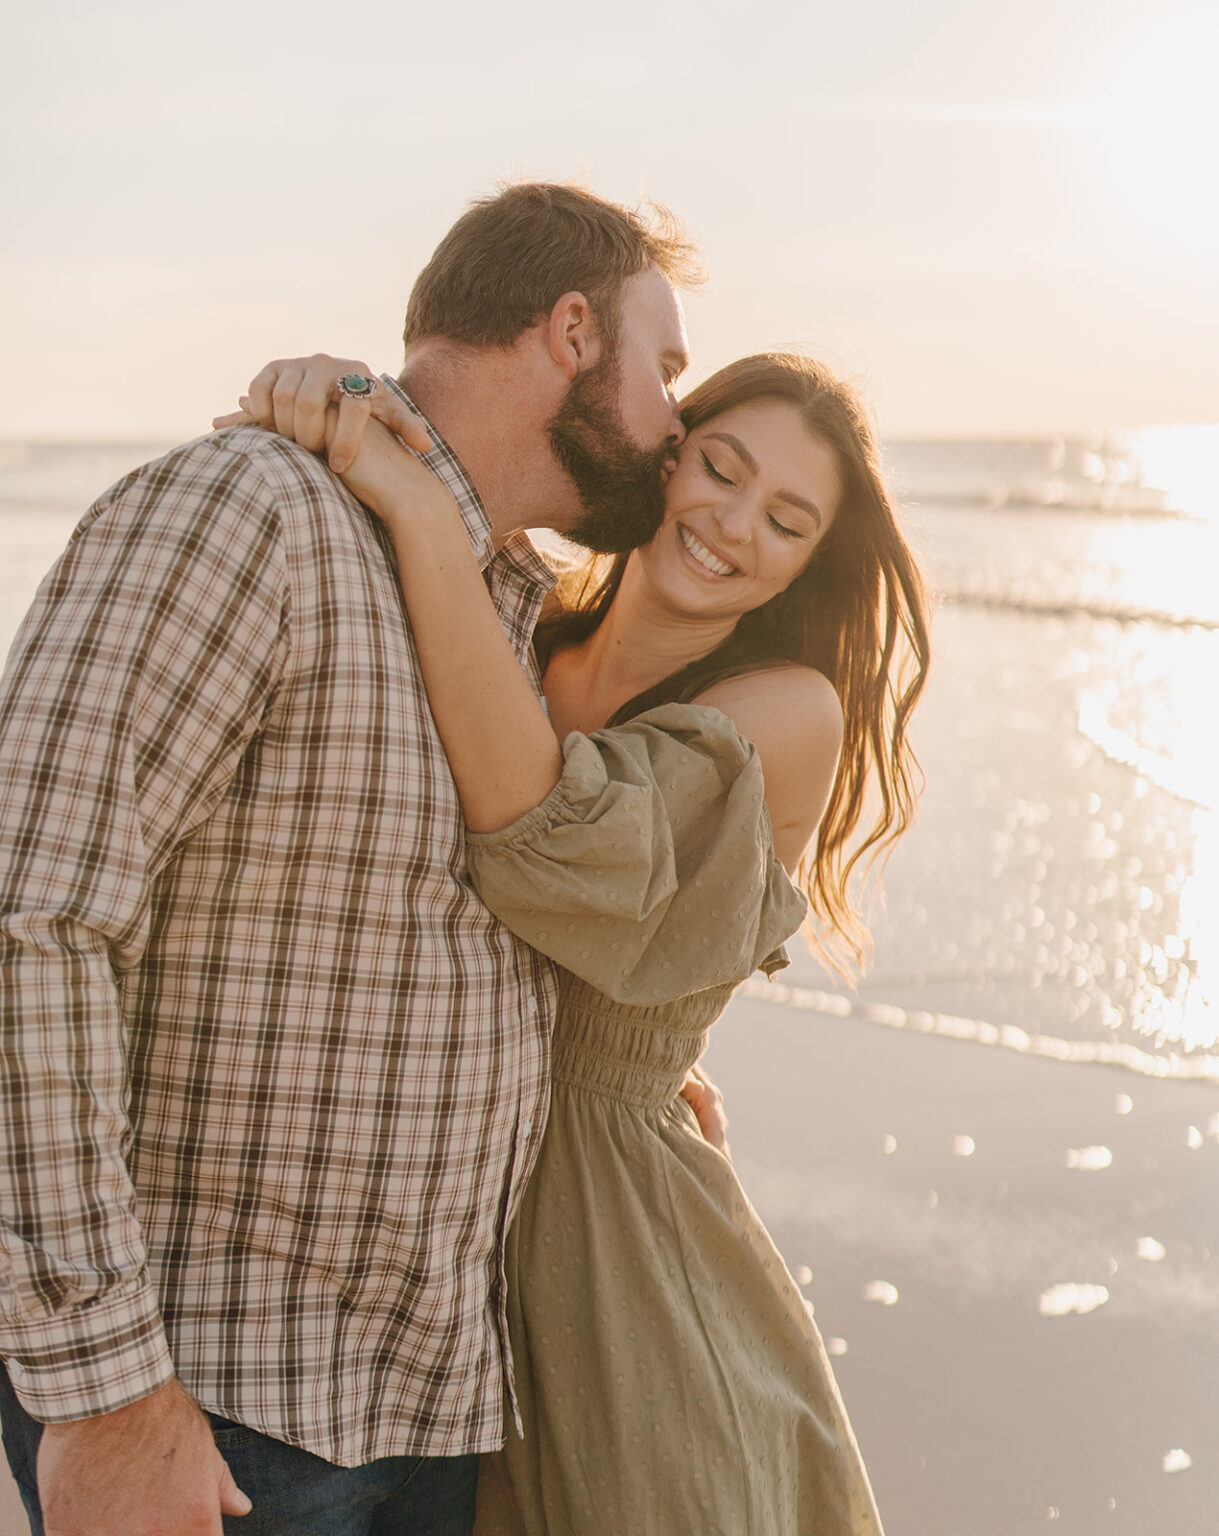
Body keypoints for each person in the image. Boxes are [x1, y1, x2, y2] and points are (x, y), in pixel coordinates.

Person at [0, 182, 704, 1536]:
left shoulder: (501, 617)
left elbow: (418, 935)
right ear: (568, 330)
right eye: (660, 367)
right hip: (216, 1414)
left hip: (424, 1420)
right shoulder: (249, 509)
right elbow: (31, 919)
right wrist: (102, 1394)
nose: (675, 423)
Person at [234, 347, 931, 1533]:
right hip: (424, 1217)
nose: (730, 521)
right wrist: (327, 389)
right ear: (666, 454)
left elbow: (547, 830)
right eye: (719, 466)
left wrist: (411, 502)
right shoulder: (515, 633)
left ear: (807, 565)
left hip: (615, 1251)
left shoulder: (784, 711)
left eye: (785, 520)